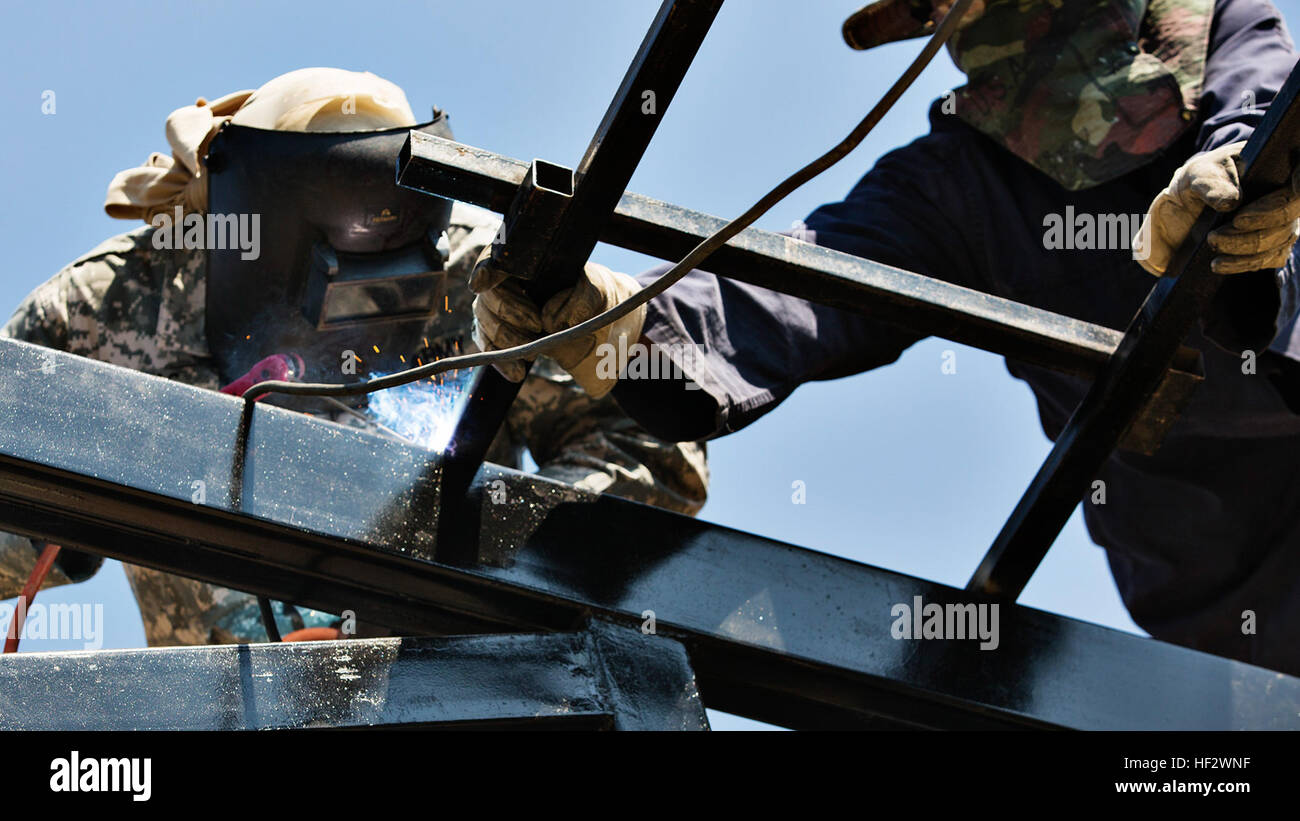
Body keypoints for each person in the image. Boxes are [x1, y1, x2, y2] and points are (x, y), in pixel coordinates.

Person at [470, 0, 1300, 676]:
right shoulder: (954, 183)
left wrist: (1242, 180)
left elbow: (1261, 102)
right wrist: (609, 316)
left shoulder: (1219, 16)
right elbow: (787, 299)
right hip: (1220, 566)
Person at [0, 68, 708, 647]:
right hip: (214, 710)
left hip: (459, 698)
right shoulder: (111, 306)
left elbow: (656, 453)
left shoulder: (479, 278)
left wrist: (458, 571)